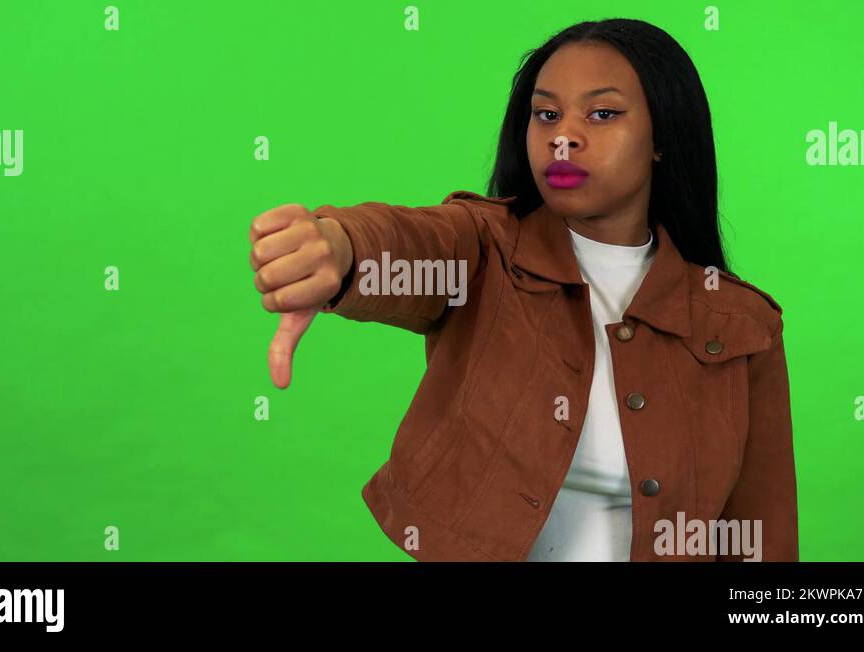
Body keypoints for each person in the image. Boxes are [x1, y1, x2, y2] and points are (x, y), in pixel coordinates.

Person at [248, 18, 799, 562]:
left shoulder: (741, 323)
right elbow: (409, 241)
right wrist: (337, 249)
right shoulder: (483, 248)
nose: (563, 136)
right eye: (546, 114)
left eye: (603, 113)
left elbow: (762, 540)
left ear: (663, 138)